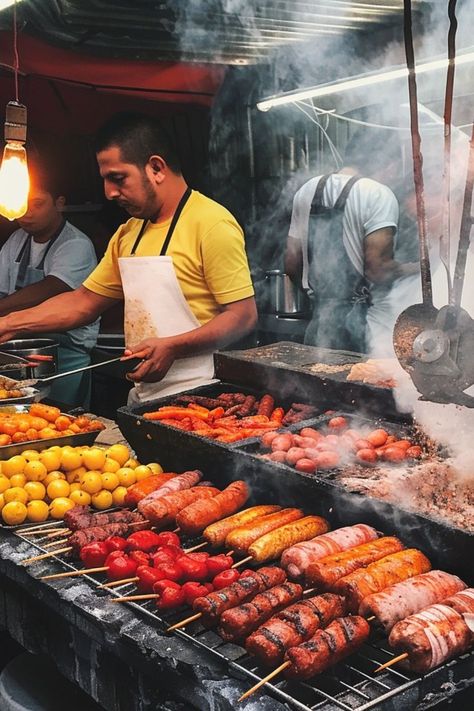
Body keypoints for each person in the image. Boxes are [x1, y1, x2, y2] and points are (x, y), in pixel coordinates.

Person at [0, 113, 257, 404]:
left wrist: (174, 346)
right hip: (143, 396)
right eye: (106, 180)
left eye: (118, 178)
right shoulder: (129, 232)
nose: (109, 192)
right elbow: (83, 301)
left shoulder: (211, 223)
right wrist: (9, 323)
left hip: (203, 396)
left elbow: (243, 315)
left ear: (156, 168)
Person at [284, 131, 419, 354]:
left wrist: (322, 300)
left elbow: (291, 263)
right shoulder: (378, 194)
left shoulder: (306, 190)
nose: (395, 175)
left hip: (318, 325)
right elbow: (378, 269)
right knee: (362, 386)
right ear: (387, 162)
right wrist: (419, 269)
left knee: (315, 385)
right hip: (363, 330)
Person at [0, 164, 99, 406]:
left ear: (60, 203)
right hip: (19, 346)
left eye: (38, 204)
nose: (27, 212)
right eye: (23, 204)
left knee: (61, 414)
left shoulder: (76, 244)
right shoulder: (17, 239)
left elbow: (52, 288)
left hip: (66, 351)